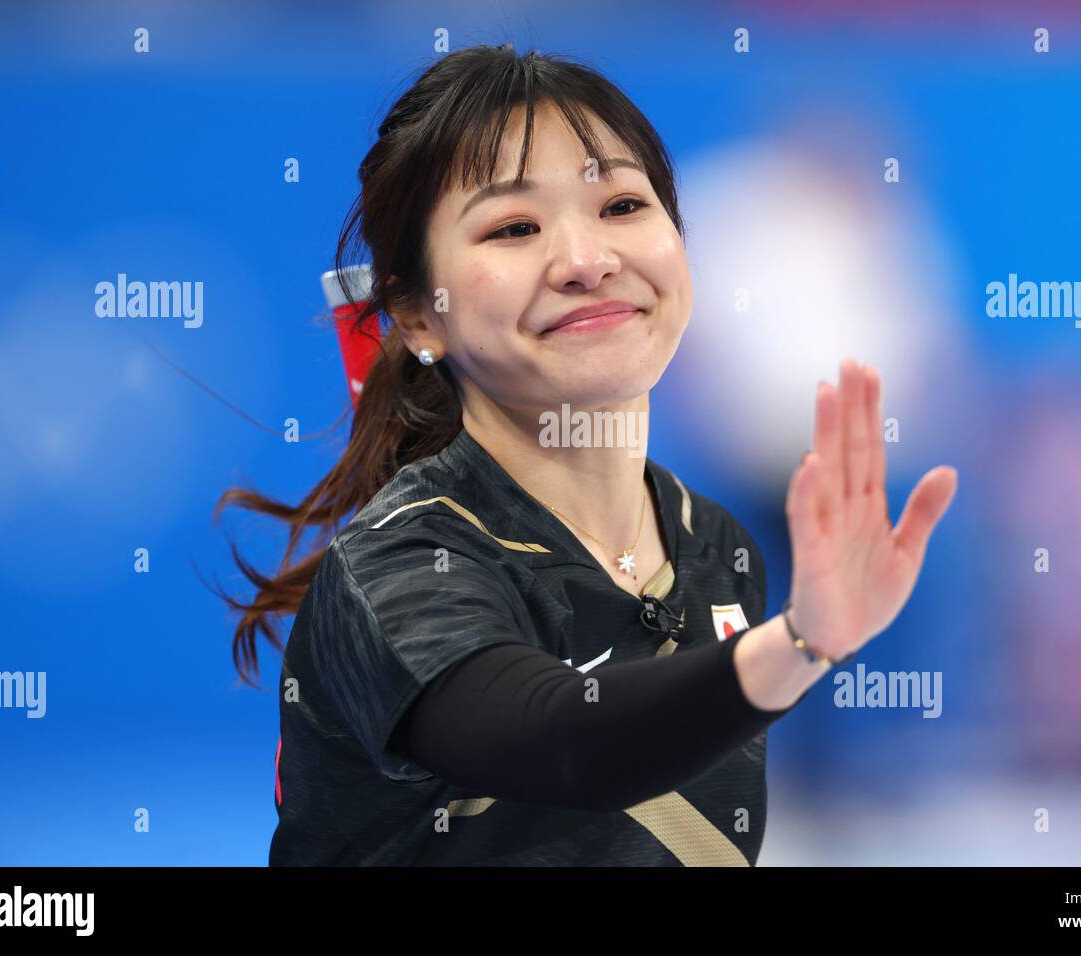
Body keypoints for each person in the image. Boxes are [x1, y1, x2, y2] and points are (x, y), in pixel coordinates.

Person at [214, 44, 958, 866]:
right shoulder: (397, 567)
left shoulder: (716, 548)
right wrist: (799, 645)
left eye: (622, 207)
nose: (586, 261)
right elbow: (570, 746)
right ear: (420, 317)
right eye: (516, 227)